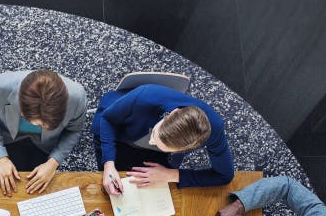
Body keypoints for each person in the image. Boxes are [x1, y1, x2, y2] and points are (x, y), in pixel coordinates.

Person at [91, 83, 235, 194]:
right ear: (170, 114)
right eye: (154, 134)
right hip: (118, 130)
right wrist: (109, 164)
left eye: (160, 145)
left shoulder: (213, 130)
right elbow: (108, 119)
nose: (151, 142)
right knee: (116, 184)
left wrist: (171, 175)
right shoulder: (145, 95)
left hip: (151, 151)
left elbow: (224, 175)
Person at [0, 69, 87, 195]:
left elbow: (73, 131)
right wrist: (0, 157)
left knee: (38, 188)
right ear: (20, 105)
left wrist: (53, 162)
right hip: (9, 136)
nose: (36, 126)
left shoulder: (77, 97)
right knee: (8, 186)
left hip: (46, 144)